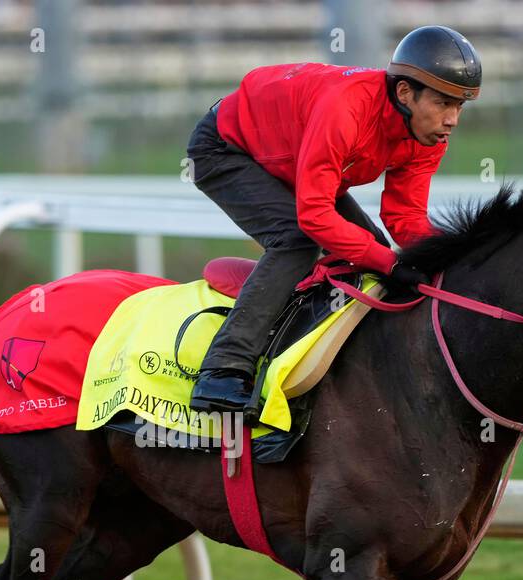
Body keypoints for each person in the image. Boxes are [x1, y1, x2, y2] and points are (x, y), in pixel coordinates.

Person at [184, 25, 482, 418]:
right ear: (406, 93)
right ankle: (224, 368)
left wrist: (450, 257)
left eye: (459, 106)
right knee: (297, 240)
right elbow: (314, 217)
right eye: (444, 104)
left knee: (369, 245)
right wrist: (392, 263)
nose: (453, 120)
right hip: (227, 149)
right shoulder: (347, 110)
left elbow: (404, 217)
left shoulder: (426, 136)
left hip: (294, 155)